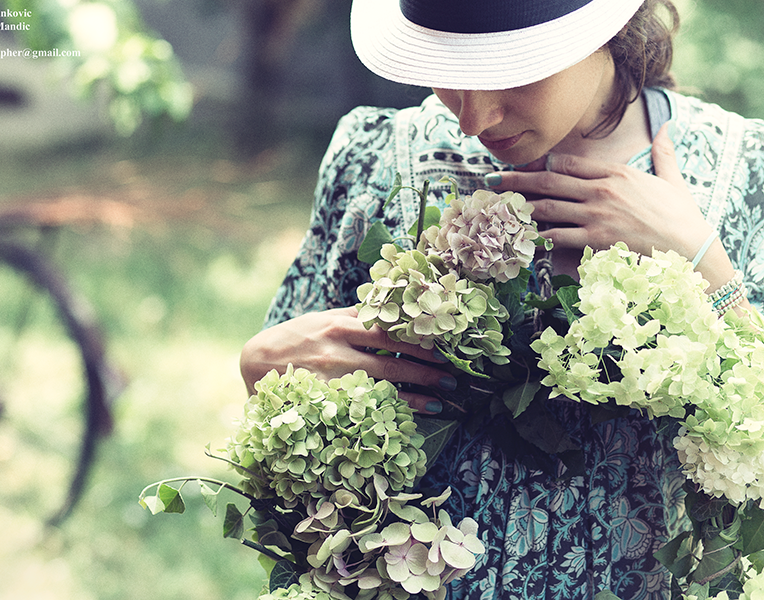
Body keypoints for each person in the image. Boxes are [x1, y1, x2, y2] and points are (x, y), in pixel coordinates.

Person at [240, 0, 764, 598]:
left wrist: (703, 262)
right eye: (447, 66)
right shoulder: (379, 159)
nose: (472, 117)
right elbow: (293, 456)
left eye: (509, 69)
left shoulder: (745, 173)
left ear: (605, 27)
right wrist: (260, 368)